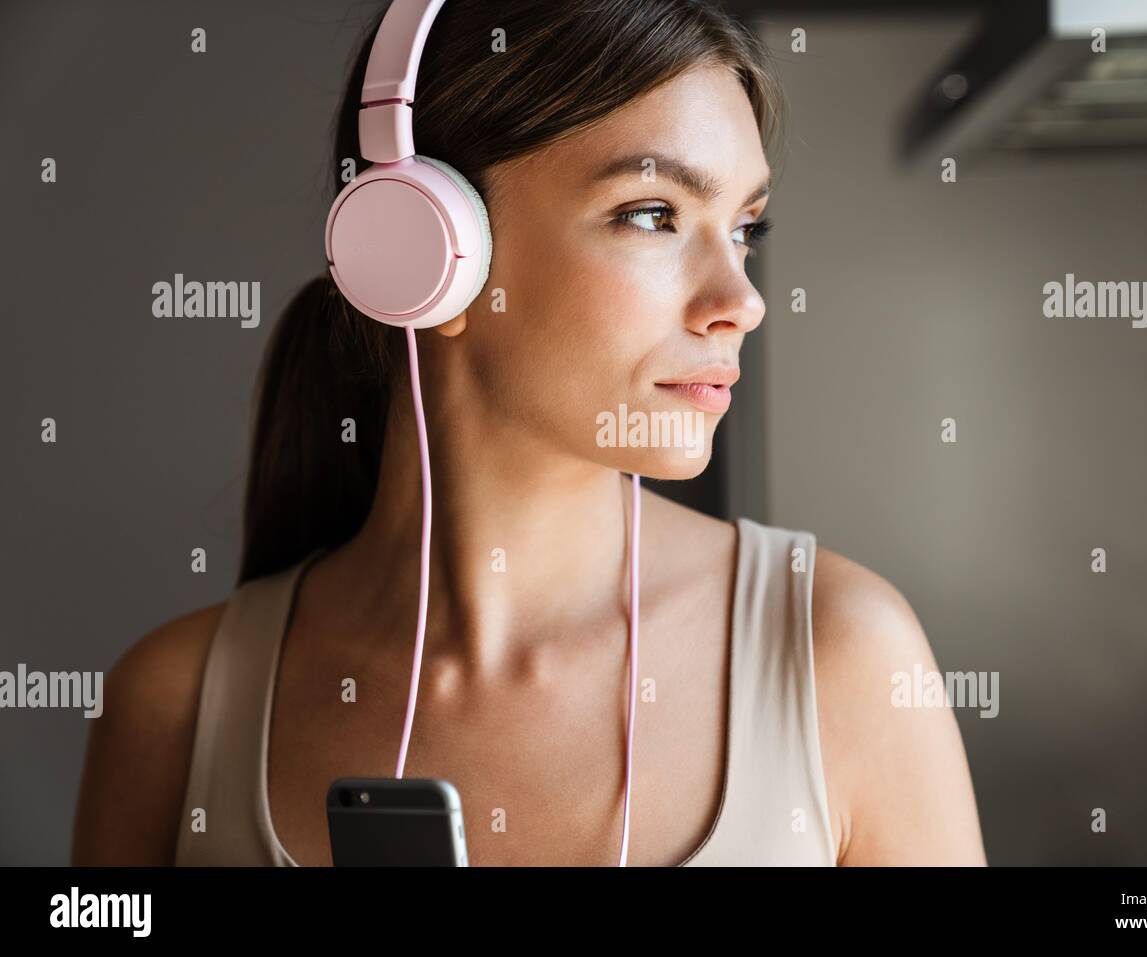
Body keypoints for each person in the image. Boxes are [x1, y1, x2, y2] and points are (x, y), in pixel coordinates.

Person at [71, 0, 986, 867]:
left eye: (746, 225)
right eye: (652, 214)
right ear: (426, 251)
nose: (741, 301)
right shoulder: (176, 704)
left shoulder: (839, 654)